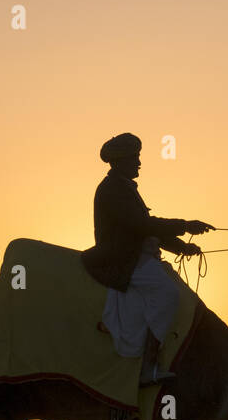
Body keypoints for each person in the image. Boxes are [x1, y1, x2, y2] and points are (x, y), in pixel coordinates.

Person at [80, 133, 214, 385]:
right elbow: (141, 225)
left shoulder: (123, 188)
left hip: (134, 256)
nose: (139, 163)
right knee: (168, 294)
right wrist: (185, 225)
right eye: (135, 158)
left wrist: (181, 247)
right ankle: (148, 365)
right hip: (122, 260)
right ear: (121, 161)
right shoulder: (113, 190)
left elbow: (144, 228)